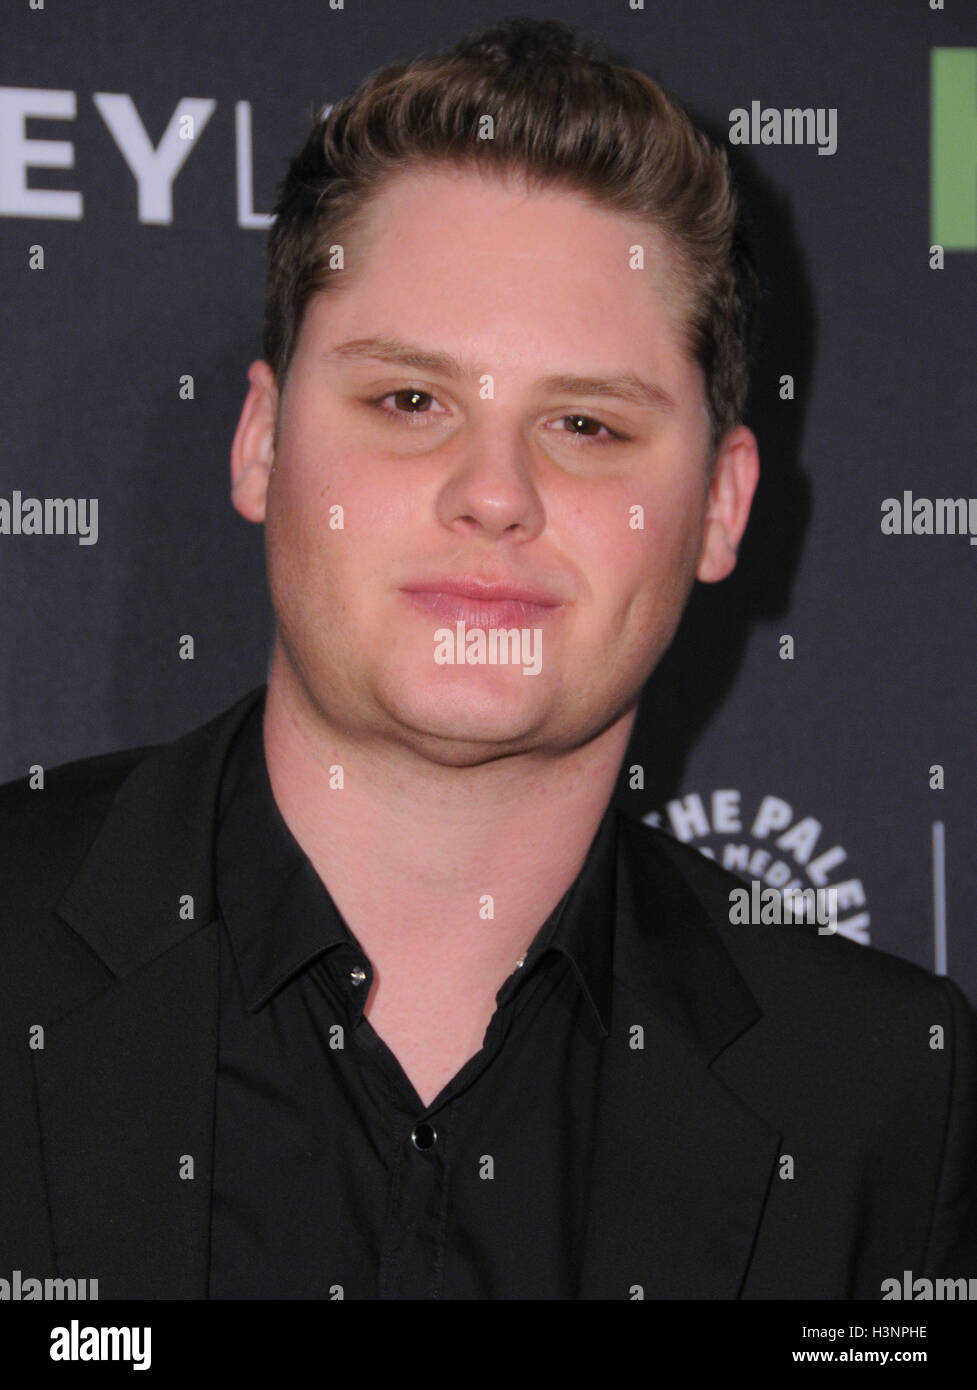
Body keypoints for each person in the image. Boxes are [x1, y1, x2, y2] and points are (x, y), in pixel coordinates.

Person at [1, 17, 974, 1301]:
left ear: (722, 508)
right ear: (258, 441)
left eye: (584, 423)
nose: (493, 492)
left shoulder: (884, 1103)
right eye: (411, 401)